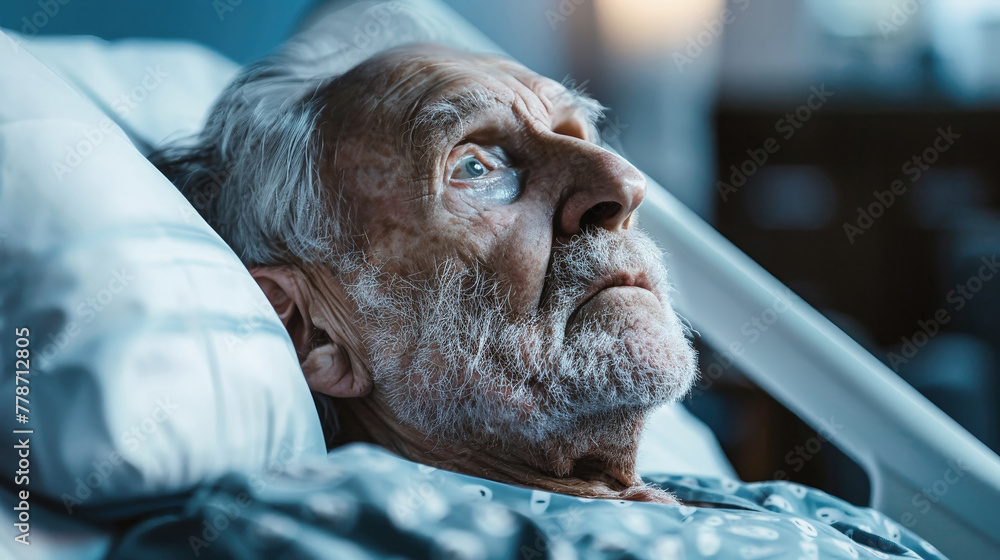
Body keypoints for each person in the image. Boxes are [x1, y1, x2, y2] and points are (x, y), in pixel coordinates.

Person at [154, 43, 698, 504]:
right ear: (313, 333)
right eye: (473, 166)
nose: (622, 182)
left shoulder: (759, 502)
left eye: (578, 135)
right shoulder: (325, 542)